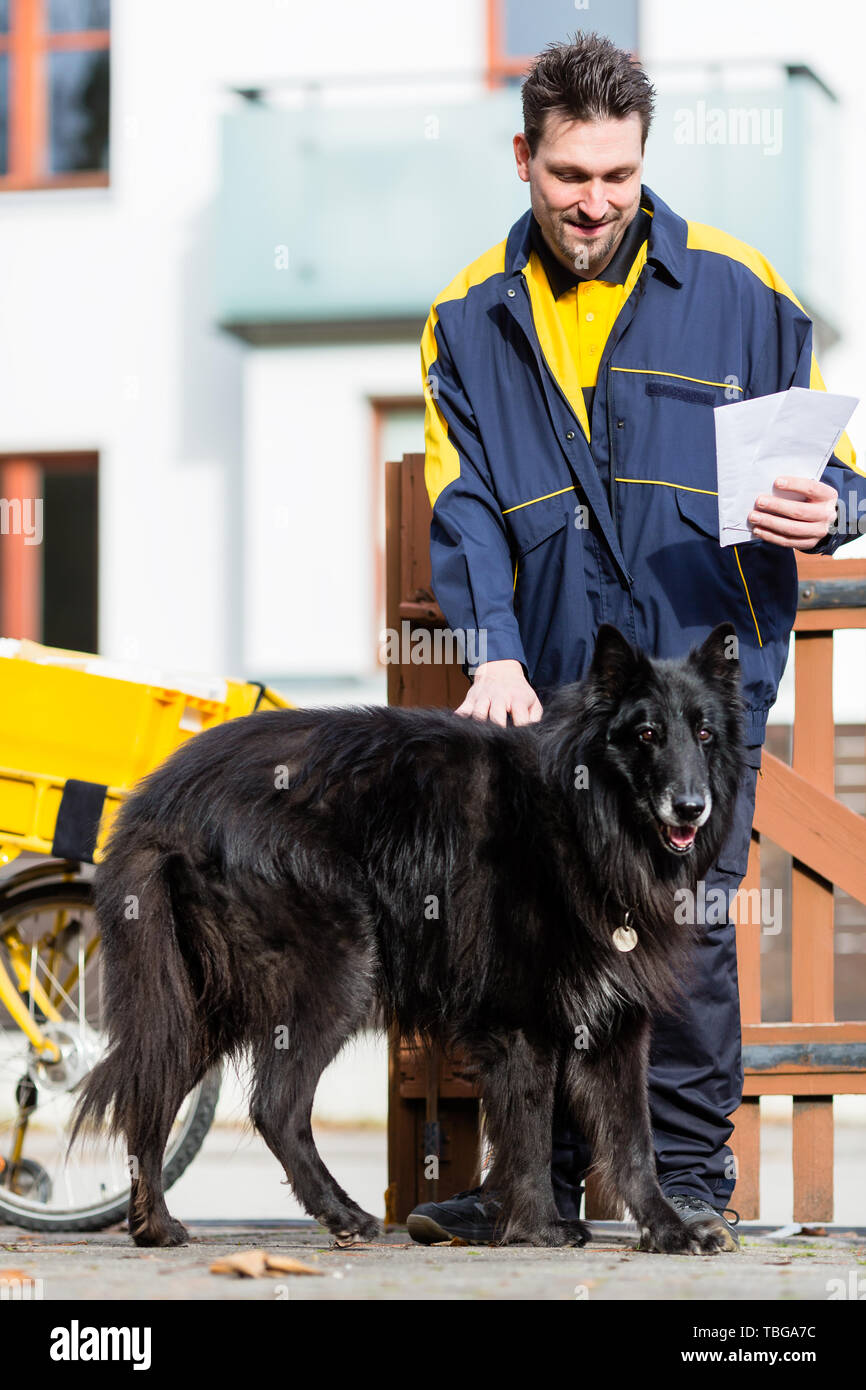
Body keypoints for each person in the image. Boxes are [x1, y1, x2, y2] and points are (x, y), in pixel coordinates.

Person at [408, 31, 866, 1251]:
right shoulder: (466, 317)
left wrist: (834, 508)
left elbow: (836, 476)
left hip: (700, 686)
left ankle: (688, 1187)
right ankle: (539, 1194)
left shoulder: (744, 291)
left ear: (643, 159)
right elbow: (461, 506)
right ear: (523, 157)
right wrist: (491, 650)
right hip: (555, 687)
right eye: (568, 175)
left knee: (693, 934)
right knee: (533, 931)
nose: (593, 203)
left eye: (615, 175)